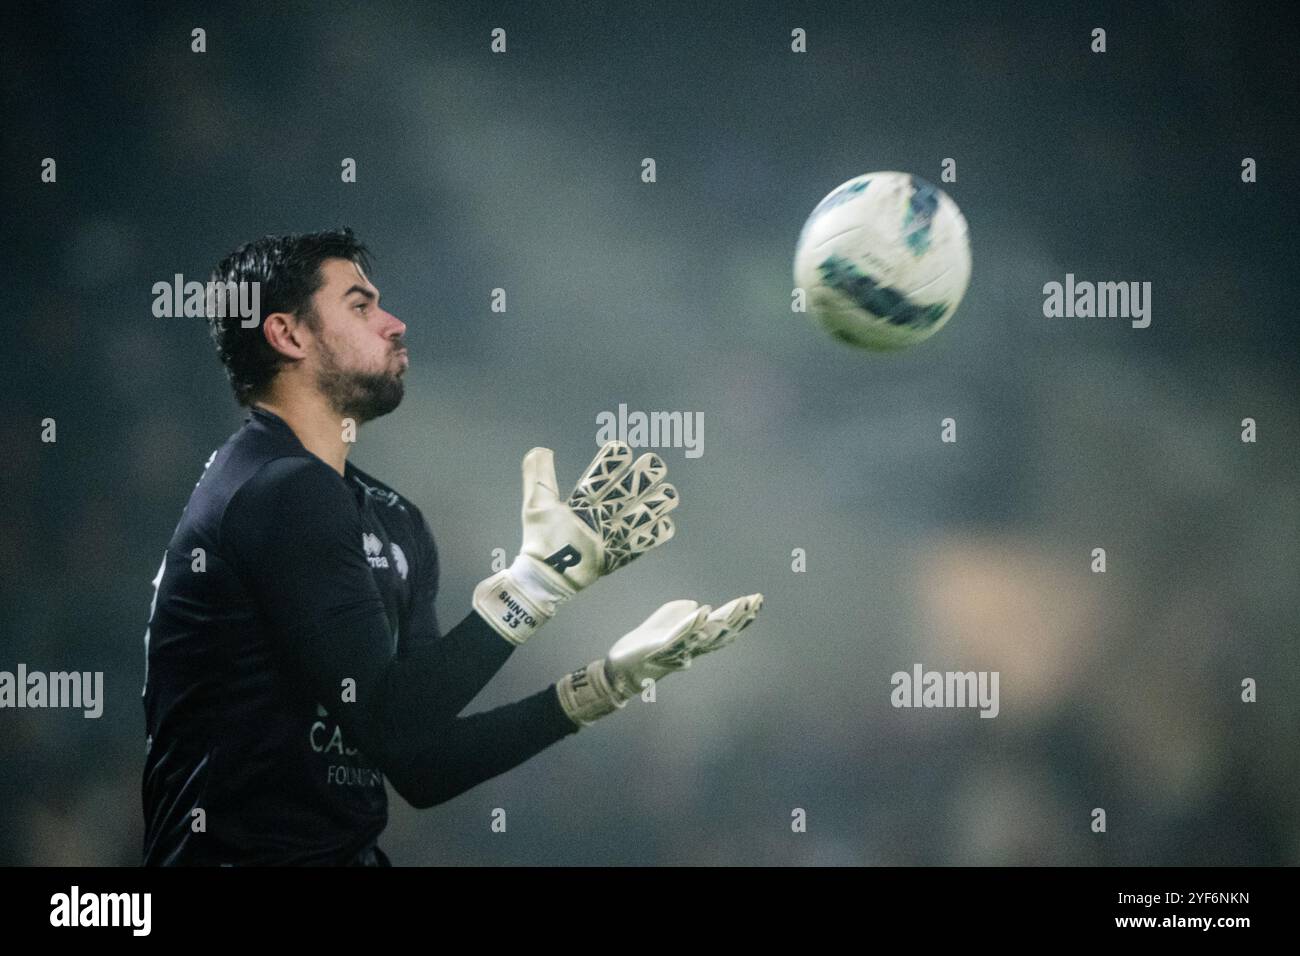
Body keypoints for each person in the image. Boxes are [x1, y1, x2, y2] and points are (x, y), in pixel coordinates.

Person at [141, 228, 762, 865]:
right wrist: (537, 585)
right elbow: (391, 724)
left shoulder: (391, 519)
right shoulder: (276, 490)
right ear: (288, 334)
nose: (394, 322)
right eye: (360, 306)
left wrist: (602, 686)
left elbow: (419, 763)